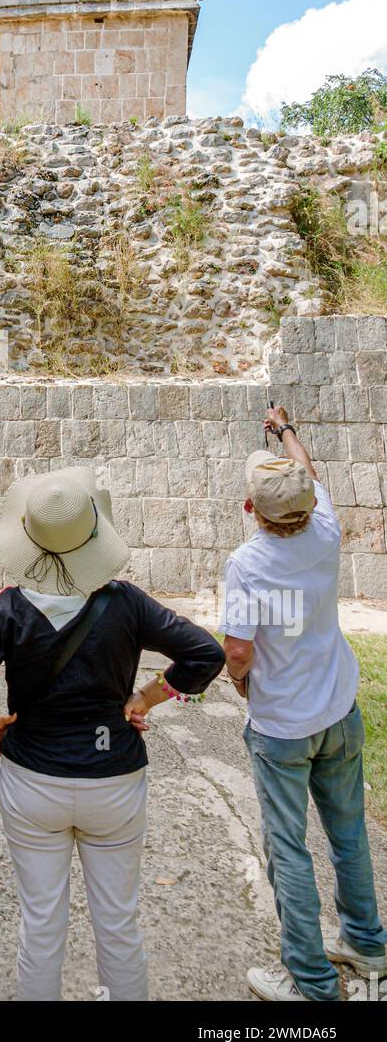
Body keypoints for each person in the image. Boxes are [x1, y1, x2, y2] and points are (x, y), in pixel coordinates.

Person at [0, 466, 225, 1000]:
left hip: (33, 780)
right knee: (118, 925)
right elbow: (206, 653)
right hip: (113, 782)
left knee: (41, 925)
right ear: (94, 535)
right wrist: (147, 696)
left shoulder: (9, 609)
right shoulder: (127, 602)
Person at [222, 406, 387, 1002]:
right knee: (348, 833)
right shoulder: (326, 531)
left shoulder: (246, 564)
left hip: (282, 726)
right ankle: (367, 944)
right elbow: (308, 474)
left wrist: (240, 681)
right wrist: (287, 430)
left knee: (288, 849)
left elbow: (238, 648)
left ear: (250, 509)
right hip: (338, 709)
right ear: (311, 503)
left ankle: (312, 981)